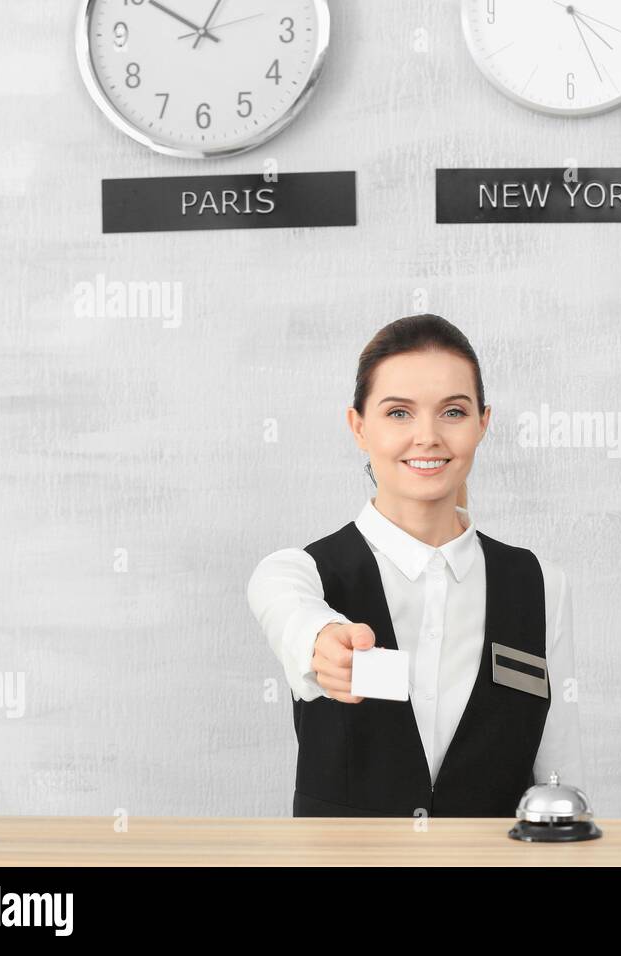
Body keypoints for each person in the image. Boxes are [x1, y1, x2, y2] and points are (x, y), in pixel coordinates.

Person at [247, 313, 584, 817]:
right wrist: (321, 643)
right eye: (399, 413)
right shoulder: (302, 573)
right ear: (359, 427)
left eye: (452, 412)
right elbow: (285, 608)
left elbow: (560, 778)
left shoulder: (541, 586)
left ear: (482, 423)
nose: (427, 437)